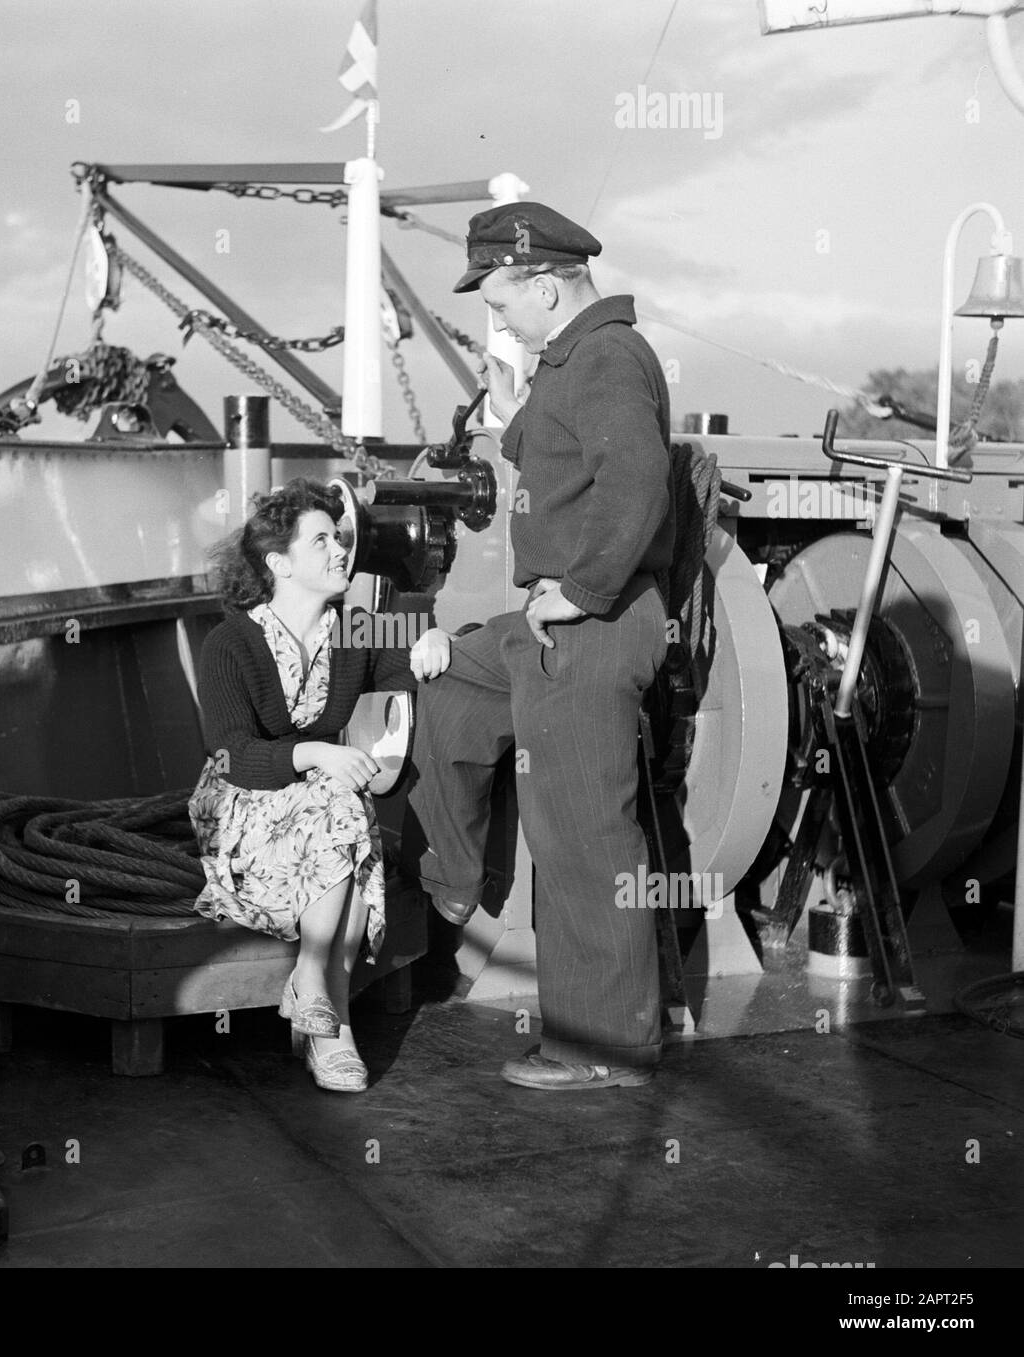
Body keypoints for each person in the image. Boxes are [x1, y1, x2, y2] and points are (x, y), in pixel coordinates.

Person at [406, 201, 675, 1092]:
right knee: (450, 692)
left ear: (546, 284)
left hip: (593, 625)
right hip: (556, 619)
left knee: (583, 837)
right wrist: (515, 404)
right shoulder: (577, 358)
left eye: (500, 300)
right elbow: (568, 458)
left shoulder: (605, 357)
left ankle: (606, 1046)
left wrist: (587, 587)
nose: (497, 318)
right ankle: (452, 873)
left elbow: (635, 478)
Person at [189, 478, 452, 1093]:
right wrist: (312, 753)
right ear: (279, 563)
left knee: (340, 807)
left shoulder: (354, 630)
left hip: (316, 807)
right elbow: (231, 756)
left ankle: (319, 1010)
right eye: (323, 540)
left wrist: (434, 639)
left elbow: (400, 674)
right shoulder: (230, 643)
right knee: (344, 809)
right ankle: (324, 1007)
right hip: (240, 806)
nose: (341, 550)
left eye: (339, 537)